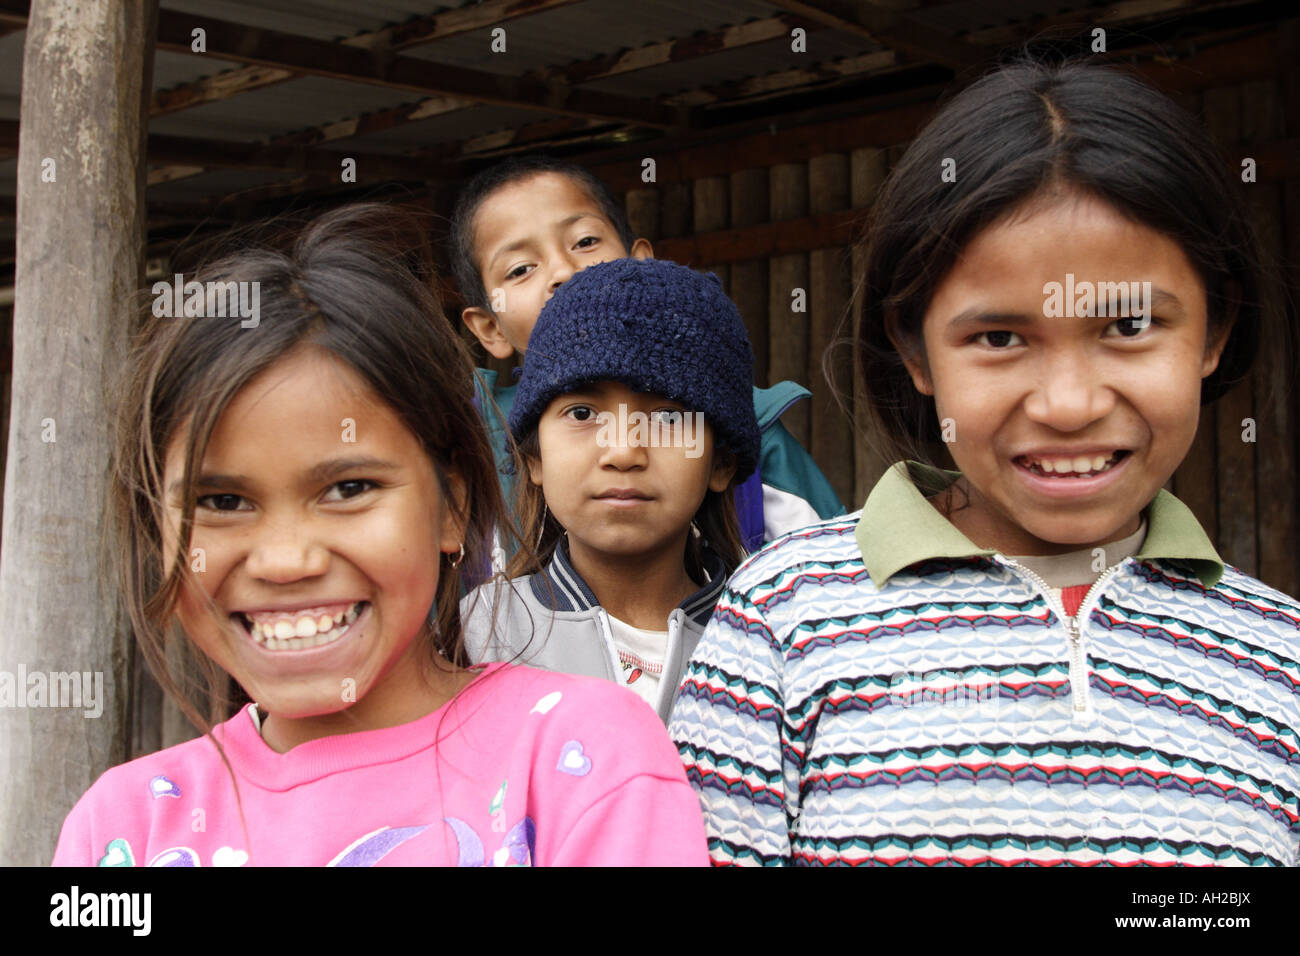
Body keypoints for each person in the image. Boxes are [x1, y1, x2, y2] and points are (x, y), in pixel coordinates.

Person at [669, 59, 1300, 866]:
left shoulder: (1278, 661)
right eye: (999, 338)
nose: (1067, 404)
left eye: (1130, 325)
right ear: (916, 351)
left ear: (1213, 333)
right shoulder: (784, 618)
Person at [52, 204, 708, 867]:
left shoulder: (583, 759)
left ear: (452, 508)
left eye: (349, 489)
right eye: (222, 501)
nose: (286, 560)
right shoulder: (124, 828)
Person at [450, 155, 843, 561]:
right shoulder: (472, 447)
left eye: (585, 242)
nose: (563, 272)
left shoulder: (747, 420)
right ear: (490, 329)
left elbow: (831, 575)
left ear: (643, 263)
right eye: (519, 269)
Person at [464, 258, 759, 723]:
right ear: (535, 457)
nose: (622, 451)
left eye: (666, 419)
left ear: (720, 461)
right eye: (582, 414)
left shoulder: (766, 640)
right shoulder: (476, 636)